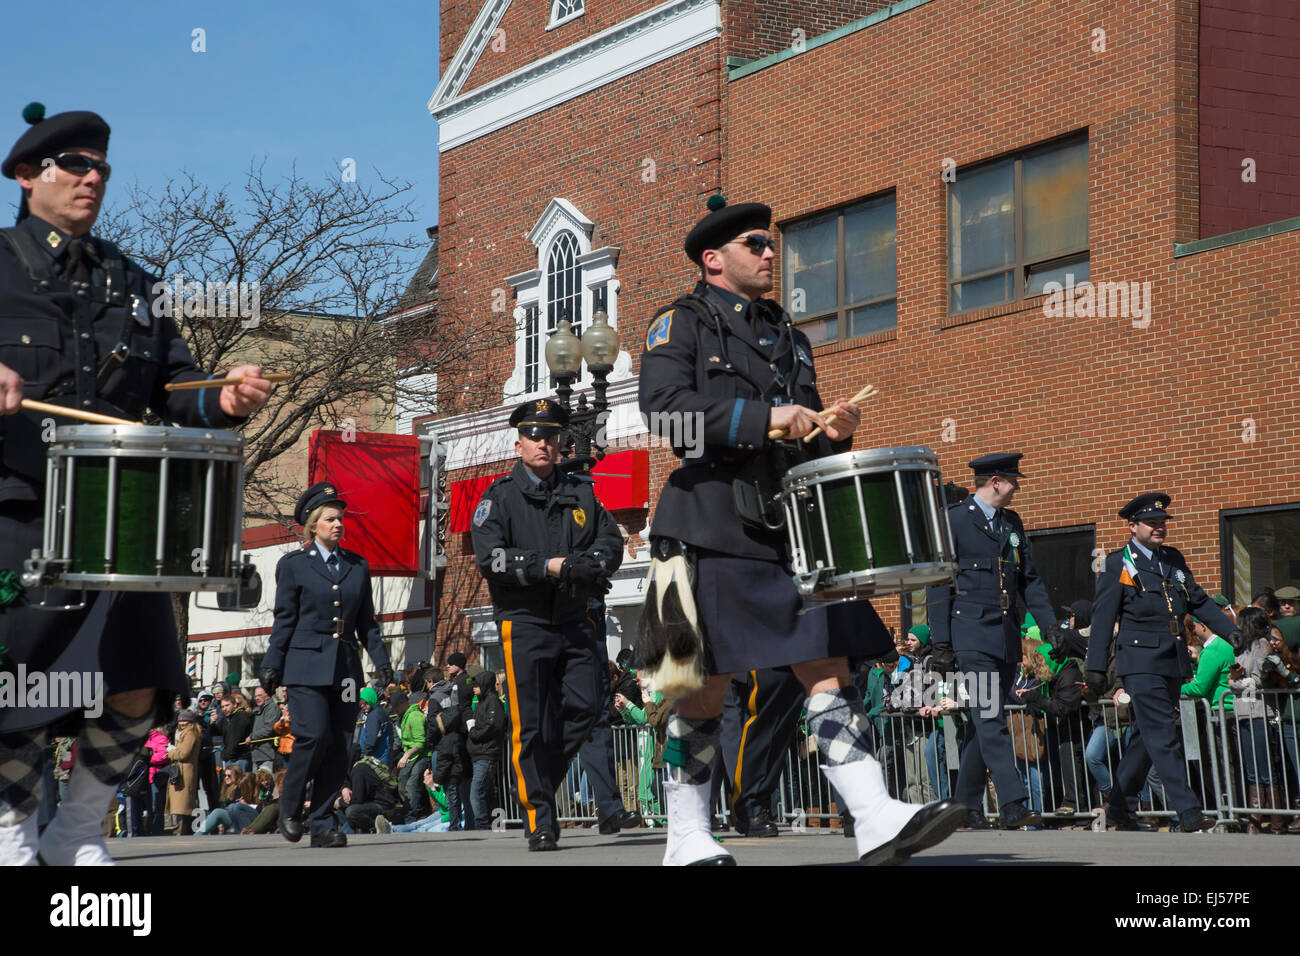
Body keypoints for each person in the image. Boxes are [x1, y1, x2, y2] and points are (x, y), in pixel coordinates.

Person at [637, 196, 963, 866]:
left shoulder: (788, 333)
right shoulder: (682, 323)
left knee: (827, 668)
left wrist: (829, 428)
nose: (768, 252)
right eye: (755, 243)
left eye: (770, 243)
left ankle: (874, 815)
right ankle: (686, 836)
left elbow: (804, 427)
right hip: (712, 524)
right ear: (713, 259)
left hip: (790, 530)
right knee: (704, 689)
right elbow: (667, 419)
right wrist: (764, 419)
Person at [0, 104, 272, 865]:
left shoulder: (134, 282)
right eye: (76, 167)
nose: (93, 180)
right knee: (16, 687)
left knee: (136, 681)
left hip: (117, 517)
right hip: (17, 505)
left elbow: (177, 381)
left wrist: (220, 397)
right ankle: (13, 833)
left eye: (102, 170)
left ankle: (77, 830)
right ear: (28, 177)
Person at [469, 398, 624, 850]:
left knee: (588, 705)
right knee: (530, 724)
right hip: (526, 620)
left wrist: (592, 563)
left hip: (574, 616)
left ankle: (539, 782)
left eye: (552, 436)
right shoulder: (499, 496)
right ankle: (540, 817)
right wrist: (552, 566)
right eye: (535, 436)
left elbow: (609, 539)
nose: (545, 444)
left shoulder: (580, 491)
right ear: (518, 444)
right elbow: (491, 558)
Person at [1084, 493, 1239, 833]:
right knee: (1163, 734)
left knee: (1146, 737)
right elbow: (1103, 616)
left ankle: (1120, 807)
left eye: (1162, 523)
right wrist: (1095, 666)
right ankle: (1188, 810)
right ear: (1133, 526)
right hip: (1139, 662)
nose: (1159, 528)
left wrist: (1231, 632)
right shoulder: (1118, 564)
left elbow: (1197, 599)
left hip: (1172, 661)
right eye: (1151, 523)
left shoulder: (1172, 560)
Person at [925, 453, 1060, 830]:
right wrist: (941, 644)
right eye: (1014, 481)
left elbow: (1028, 580)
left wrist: (1050, 627)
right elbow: (938, 584)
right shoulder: (953, 520)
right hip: (970, 637)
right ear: (996, 481)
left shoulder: (1010, 523)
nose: (1018, 487)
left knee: (982, 724)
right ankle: (1014, 803)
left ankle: (965, 806)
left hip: (1003, 638)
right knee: (989, 718)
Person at [259, 480, 394, 849]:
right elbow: (284, 618)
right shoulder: (294, 566)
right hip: (304, 667)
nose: (338, 524)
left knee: (340, 745)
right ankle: (289, 807)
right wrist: (272, 663)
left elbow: (367, 622)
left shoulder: (356, 566)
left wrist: (381, 662)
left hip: (346, 669)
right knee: (313, 735)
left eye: (340, 519)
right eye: (330, 519)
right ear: (313, 524)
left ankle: (321, 824)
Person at [466, 670, 506, 828]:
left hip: (486, 753)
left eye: (476, 685)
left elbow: (493, 726)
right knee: (488, 793)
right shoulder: (481, 702)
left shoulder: (493, 701)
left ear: (485, 684)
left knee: (476, 792)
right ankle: (497, 826)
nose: (473, 688)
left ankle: (482, 825)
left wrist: (473, 732)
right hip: (479, 753)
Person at [165, 709, 201, 835]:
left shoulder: (190, 733)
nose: (182, 723)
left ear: (191, 721)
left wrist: (170, 752)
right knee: (180, 803)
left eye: (185, 720)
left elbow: (184, 753)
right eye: (180, 720)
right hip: (181, 770)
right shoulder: (183, 733)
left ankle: (181, 830)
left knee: (183, 804)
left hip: (185, 771)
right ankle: (180, 829)